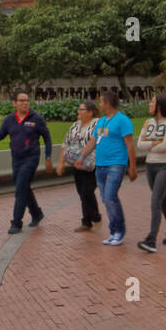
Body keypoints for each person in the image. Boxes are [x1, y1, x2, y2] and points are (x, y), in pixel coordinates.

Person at [0, 91, 53, 234]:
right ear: (14, 103)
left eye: (27, 100)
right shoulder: (9, 120)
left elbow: (47, 138)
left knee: (20, 190)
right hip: (16, 159)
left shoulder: (36, 119)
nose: (25, 103)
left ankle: (16, 223)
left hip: (31, 158)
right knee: (23, 187)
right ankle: (37, 213)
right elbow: (0, 134)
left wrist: (48, 157)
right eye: (21, 100)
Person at [81, 89, 136, 246]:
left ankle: (119, 231)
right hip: (101, 166)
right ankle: (114, 232)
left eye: (101, 101)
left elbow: (130, 145)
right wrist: (81, 157)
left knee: (111, 196)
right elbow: (92, 141)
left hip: (116, 164)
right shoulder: (101, 121)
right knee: (106, 199)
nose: (99, 104)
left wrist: (132, 167)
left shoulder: (123, 120)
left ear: (108, 103)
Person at [136, 94, 166, 252]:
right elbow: (139, 144)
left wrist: (150, 144)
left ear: (160, 105)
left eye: (152, 102)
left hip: (165, 167)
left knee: (156, 199)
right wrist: (154, 143)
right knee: (162, 201)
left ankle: (151, 240)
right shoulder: (148, 122)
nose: (149, 104)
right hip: (150, 166)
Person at [56, 99, 101, 231]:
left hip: (92, 164)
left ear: (90, 112)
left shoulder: (98, 124)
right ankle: (86, 222)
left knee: (87, 191)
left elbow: (103, 141)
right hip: (76, 164)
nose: (79, 112)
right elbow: (66, 144)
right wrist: (61, 163)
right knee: (81, 192)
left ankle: (96, 217)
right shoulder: (75, 126)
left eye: (82, 109)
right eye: (79, 109)